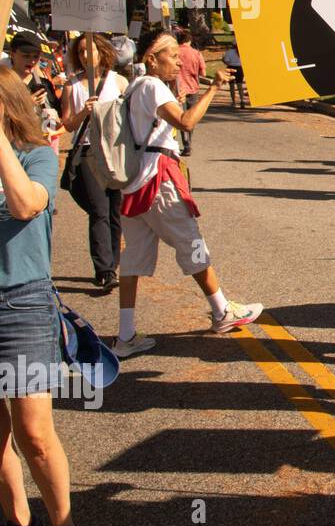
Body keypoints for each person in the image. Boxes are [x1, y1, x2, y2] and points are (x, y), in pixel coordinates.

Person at [114, 31, 262, 357]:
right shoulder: (152, 86)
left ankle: (125, 335)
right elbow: (186, 122)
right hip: (158, 184)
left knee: (133, 261)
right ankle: (222, 311)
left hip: (135, 187)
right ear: (151, 59)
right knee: (193, 245)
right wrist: (214, 88)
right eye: (172, 54)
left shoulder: (137, 86)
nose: (179, 60)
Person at [0, 65, 88, 526]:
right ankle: (20, 523)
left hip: (23, 305)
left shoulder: (38, 155)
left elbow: (27, 204)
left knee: (33, 432)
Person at [60, 33, 128, 291]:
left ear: (102, 52)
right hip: (88, 152)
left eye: (90, 51)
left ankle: (113, 262)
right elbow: (67, 124)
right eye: (80, 53)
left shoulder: (119, 81)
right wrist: (83, 112)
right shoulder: (72, 85)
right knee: (98, 210)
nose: (86, 56)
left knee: (114, 210)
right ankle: (104, 269)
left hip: (114, 151)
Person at [7, 32, 62, 149]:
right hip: (12, 151)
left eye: (36, 56)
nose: (32, 61)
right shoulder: (4, 83)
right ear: (12, 53)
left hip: (41, 150)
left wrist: (53, 119)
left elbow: (55, 125)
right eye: (26, 56)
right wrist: (27, 104)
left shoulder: (44, 84)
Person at [173, 28, 206, 157]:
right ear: (189, 40)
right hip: (192, 87)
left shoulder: (174, 53)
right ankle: (188, 143)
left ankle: (180, 142)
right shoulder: (196, 53)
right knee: (190, 118)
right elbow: (203, 72)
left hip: (177, 88)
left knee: (178, 117)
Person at [221, 42, 246, 108]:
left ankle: (234, 102)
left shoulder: (229, 52)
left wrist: (223, 60)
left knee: (232, 87)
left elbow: (227, 61)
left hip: (231, 69)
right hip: (240, 69)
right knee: (240, 86)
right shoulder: (242, 51)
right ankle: (242, 101)